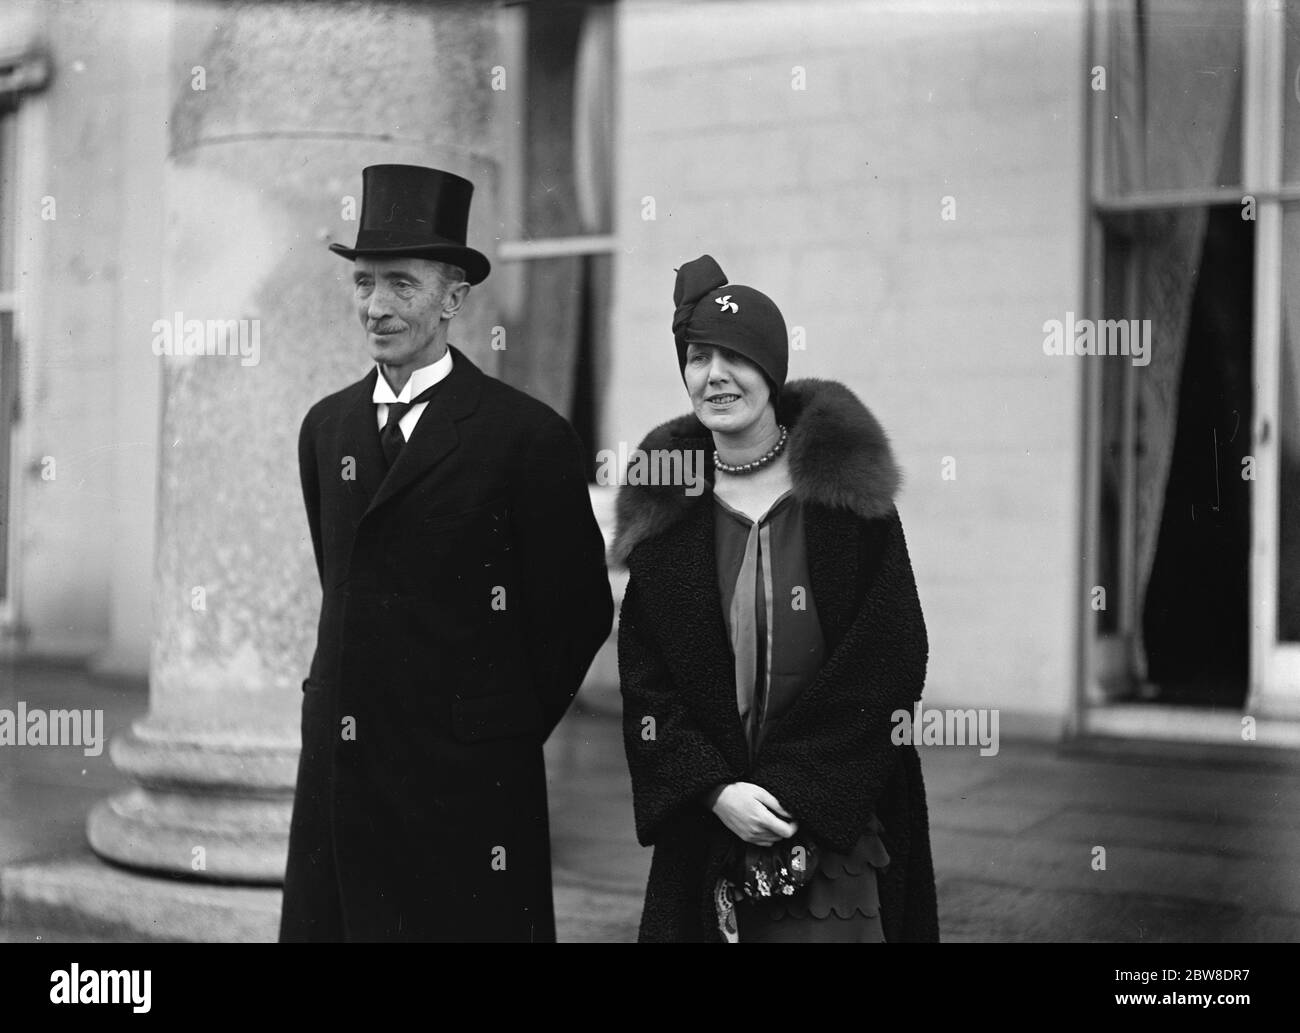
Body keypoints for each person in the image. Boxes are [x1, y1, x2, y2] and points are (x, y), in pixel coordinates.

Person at [279, 164, 613, 942]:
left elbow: (576, 611)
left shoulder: (525, 437)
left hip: (465, 786)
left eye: (400, 282)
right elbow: (348, 585)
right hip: (343, 766)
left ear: (455, 298)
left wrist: (494, 724)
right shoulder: (326, 430)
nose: (376, 306)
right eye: (364, 282)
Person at [613, 254, 938, 943]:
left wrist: (797, 786)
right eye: (698, 357)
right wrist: (714, 789)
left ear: (773, 369)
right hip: (710, 825)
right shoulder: (668, 513)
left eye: (736, 356)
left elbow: (890, 658)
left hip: (838, 822)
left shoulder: (846, 499)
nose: (715, 376)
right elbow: (646, 683)